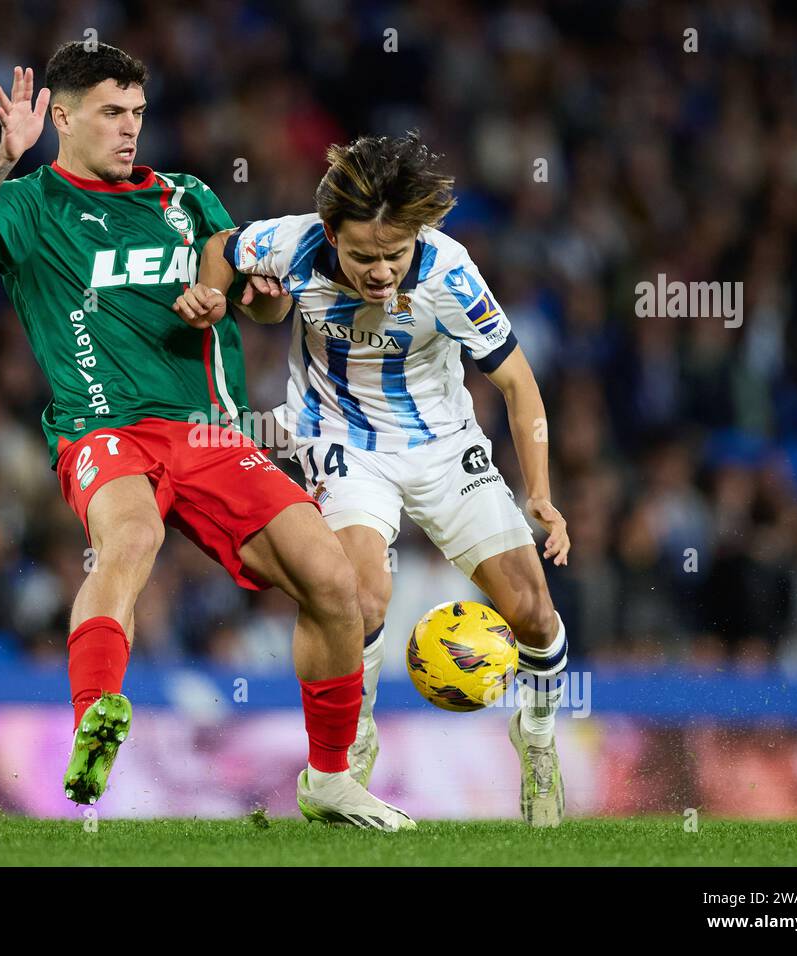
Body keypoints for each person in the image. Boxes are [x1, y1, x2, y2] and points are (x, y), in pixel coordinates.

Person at [0, 42, 414, 831]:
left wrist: (243, 299)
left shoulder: (188, 198)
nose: (129, 130)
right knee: (130, 537)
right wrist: (1, 159)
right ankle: (96, 716)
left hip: (209, 431)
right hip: (102, 428)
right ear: (64, 117)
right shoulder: (30, 204)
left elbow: (266, 308)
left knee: (335, 583)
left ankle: (329, 779)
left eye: (138, 114)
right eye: (112, 114)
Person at [175, 132, 571, 827]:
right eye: (363, 256)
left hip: (445, 446)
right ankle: (349, 745)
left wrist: (538, 492)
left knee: (533, 613)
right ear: (332, 233)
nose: (382, 271)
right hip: (341, 442)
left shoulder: (450, 272)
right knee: (358, 596)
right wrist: (216, 294)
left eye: (394, 254)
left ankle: (536, 741)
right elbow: (224, 246)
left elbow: (518, 382)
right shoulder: (292, 243)